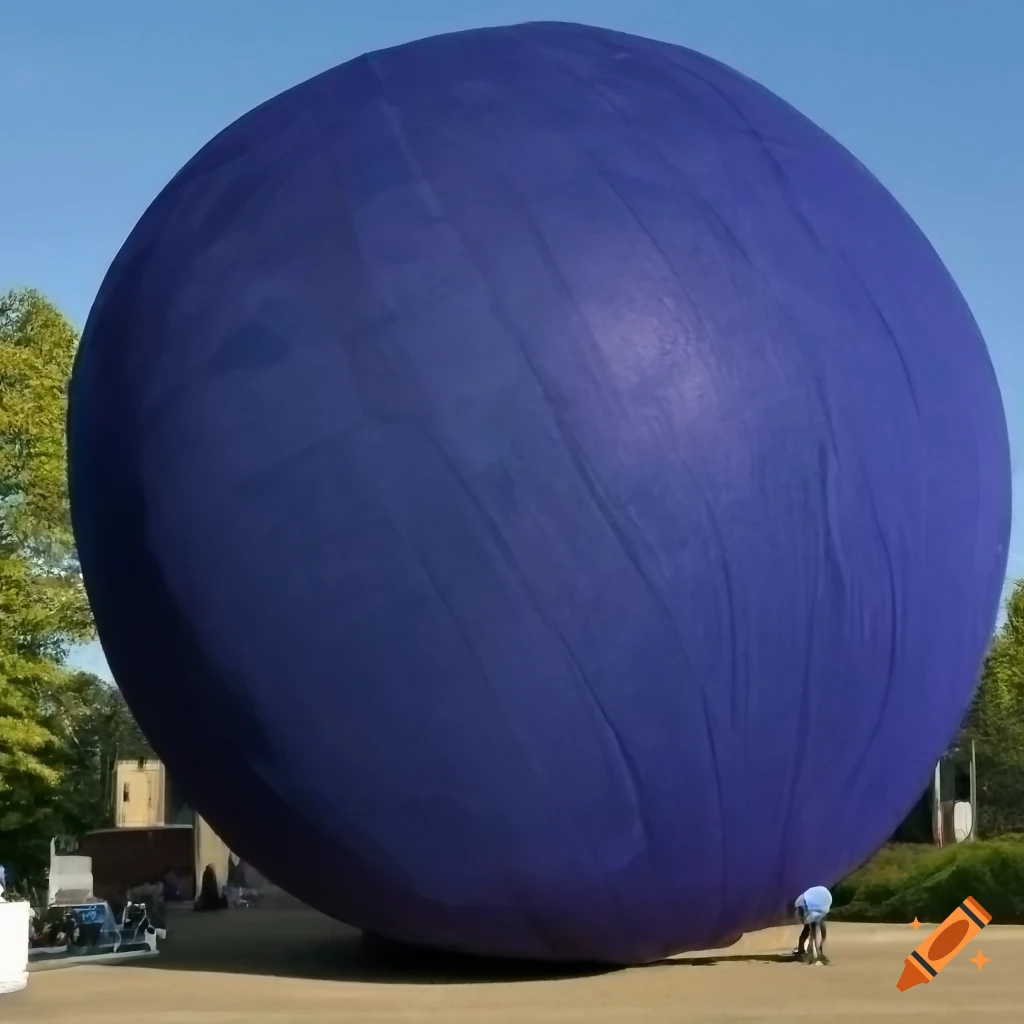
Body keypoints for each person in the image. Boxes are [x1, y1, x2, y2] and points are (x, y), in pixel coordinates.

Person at [792, 885, 832, 964]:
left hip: (816, 905)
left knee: (817, 930)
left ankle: (816, 952)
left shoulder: (820, 908)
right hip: (806, 905)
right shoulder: (806, 907)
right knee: (809, 929)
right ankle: (803, 952)